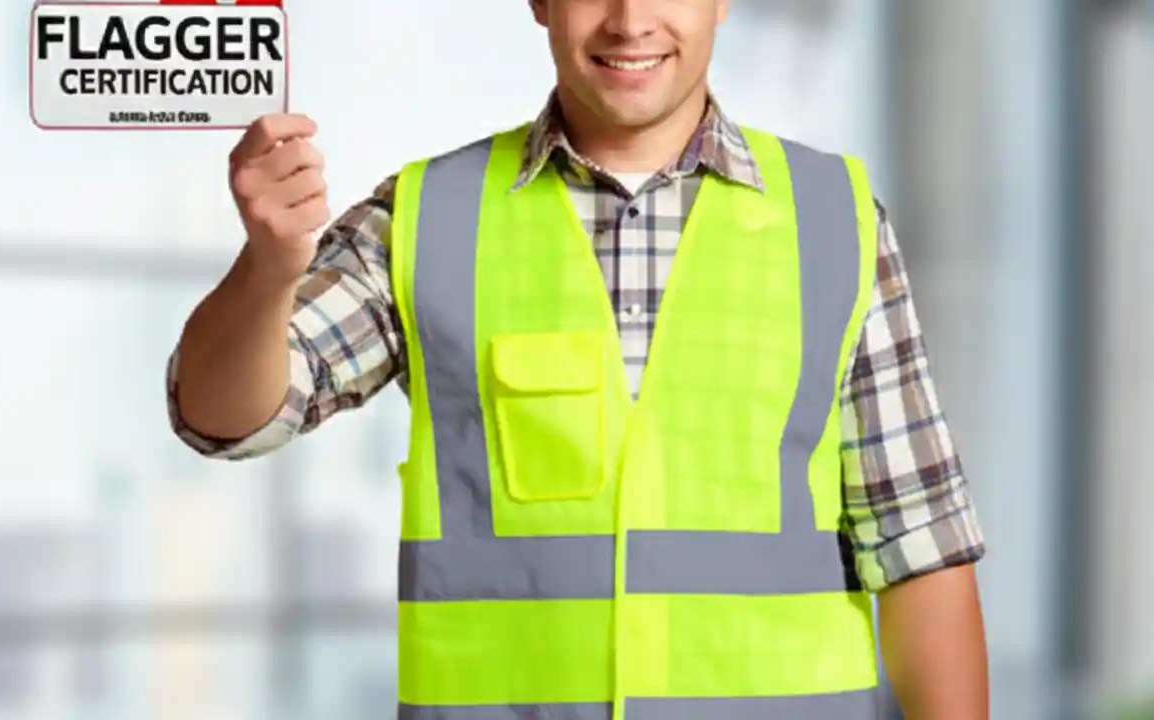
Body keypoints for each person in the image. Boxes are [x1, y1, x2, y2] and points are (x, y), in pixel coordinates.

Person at [166, 0, 989, 717]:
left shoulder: (832, 219)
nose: (630, 20)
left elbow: (920, 545)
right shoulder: (425, 219)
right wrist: (268, 271)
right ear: (540, 0)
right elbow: (223, 419)